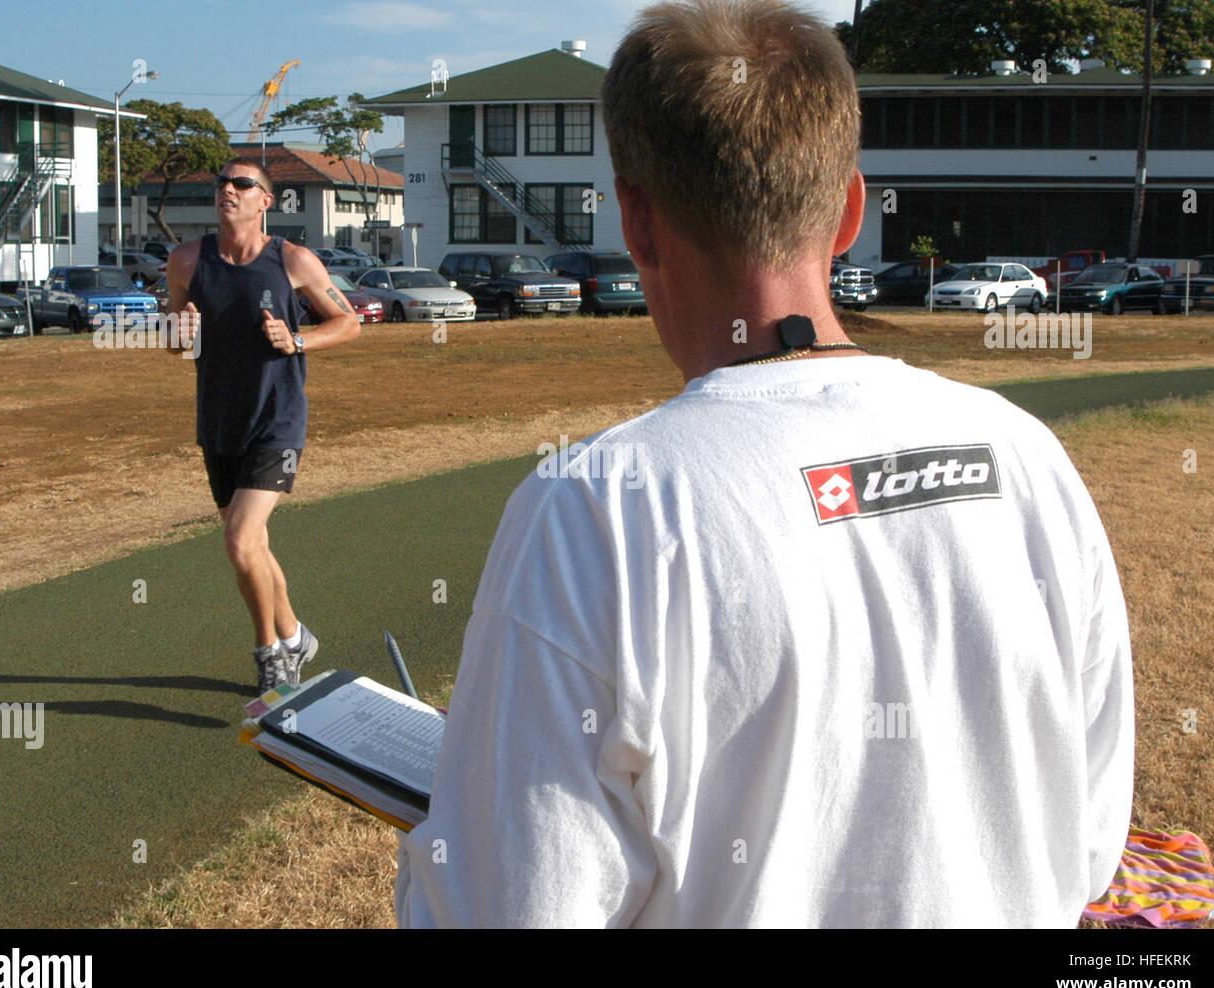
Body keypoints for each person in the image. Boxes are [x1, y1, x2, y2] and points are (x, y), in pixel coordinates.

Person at [395, 0, 1134, 927]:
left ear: (637, 220)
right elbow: (1090, 840)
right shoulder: (1026, 457)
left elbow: (505, 907)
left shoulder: (597, 511)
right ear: (850, 209)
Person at [167, 157, 360, 694]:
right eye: (222, 183)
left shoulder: (293, 260)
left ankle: (270, 652)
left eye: (242, 184)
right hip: (219, 421)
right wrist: (180, 330)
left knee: (238, 543)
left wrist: (298, 340)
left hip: (277, 421)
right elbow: (175, 338)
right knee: (252, 547)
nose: (228, 190)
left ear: (265, 201)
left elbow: (348, 323)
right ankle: (296, 634)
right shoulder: (186, 260)